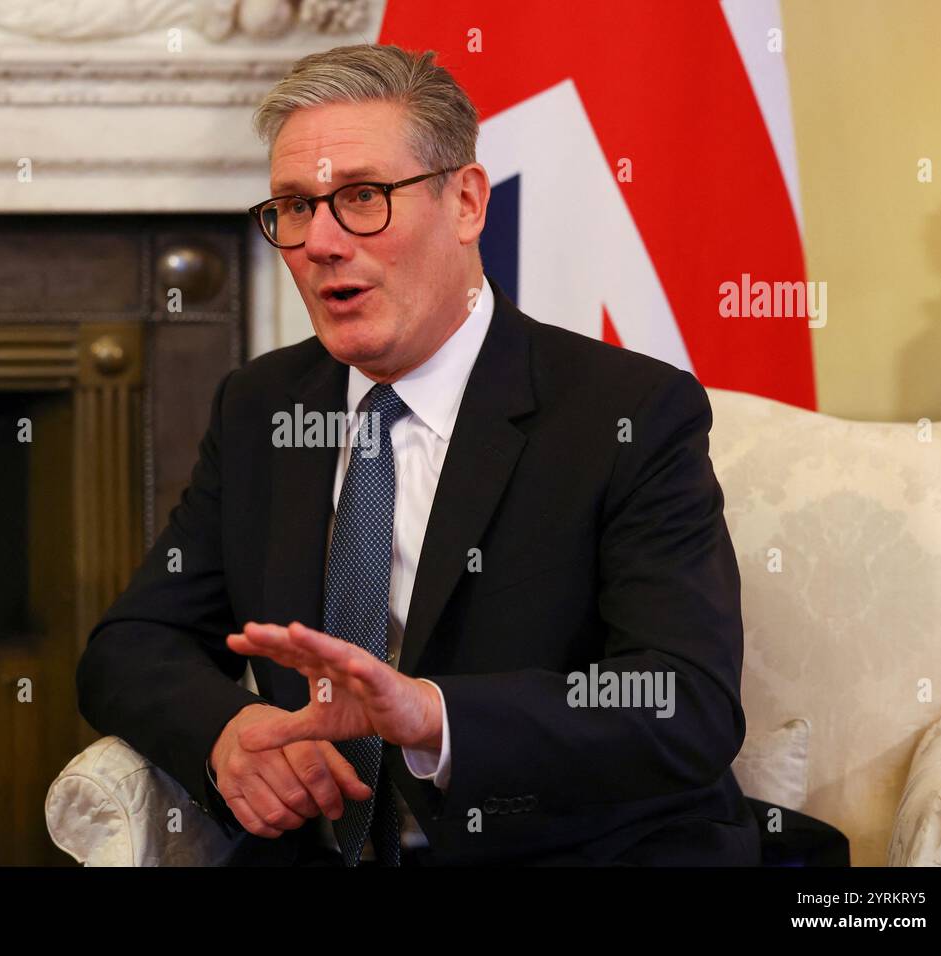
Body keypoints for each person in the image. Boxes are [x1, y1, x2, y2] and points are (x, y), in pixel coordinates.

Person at [76, 43, 760, 867]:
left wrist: (435, 716)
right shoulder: (264, 405)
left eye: (362, 196)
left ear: (467, 201)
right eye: (294, 206)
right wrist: (230, 727)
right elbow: (132, 643)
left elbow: (686, 702)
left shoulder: (624, 412)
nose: (321, 241)